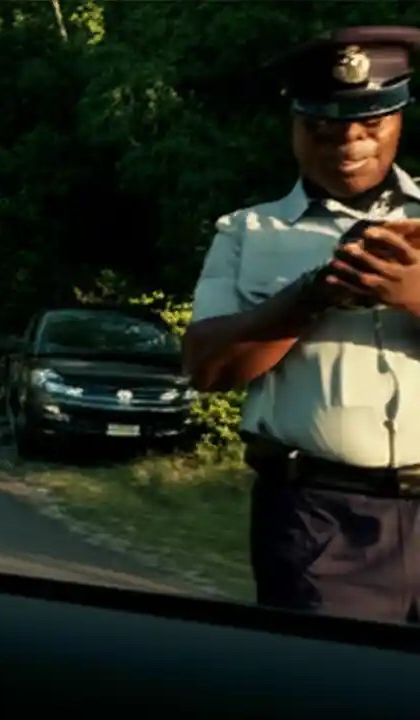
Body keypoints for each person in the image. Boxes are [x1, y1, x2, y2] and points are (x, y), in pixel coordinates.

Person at [184, 25, 420, 624]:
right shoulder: (247, 232)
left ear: (399, 118)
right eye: (326, 127)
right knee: (338, 689)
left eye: (371, 124)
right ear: (295, 125)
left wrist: (414, 296)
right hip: (320, 519)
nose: (350, 144)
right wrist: (310, 296)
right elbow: (207, 368)